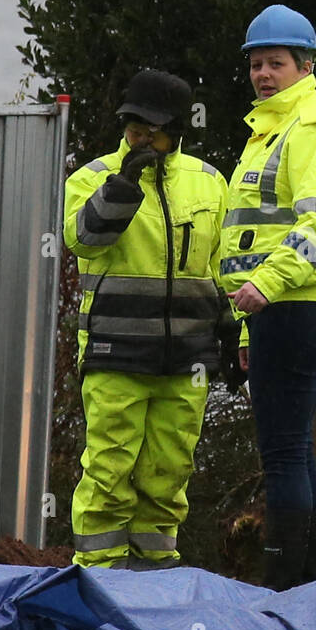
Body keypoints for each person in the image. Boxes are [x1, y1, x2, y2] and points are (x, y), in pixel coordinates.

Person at [221, 5, 316, 590]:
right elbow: (246, 245)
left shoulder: (314, 128)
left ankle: (283, 585)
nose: (263, 74)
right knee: (295, 445)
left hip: (298, 303)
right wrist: (243, 329)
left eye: (275, 63)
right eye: (256, 63)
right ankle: (309, 581)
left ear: (305, 66)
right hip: (280, 308)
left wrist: (265, 287)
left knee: (281, 451)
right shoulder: (270, 132)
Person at [63, 69, 236, 569]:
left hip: (187, 359)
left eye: (152, 129)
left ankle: (156, 585)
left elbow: (224, 268)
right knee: (108, 471)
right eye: (133, 126)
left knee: (169, 475)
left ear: (177, 130)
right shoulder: (93, 178)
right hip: (115, 354)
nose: (140, 136)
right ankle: (99, 583)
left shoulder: (209, 183)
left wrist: (234, 335)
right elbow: (83, 240)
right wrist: (123, 186)